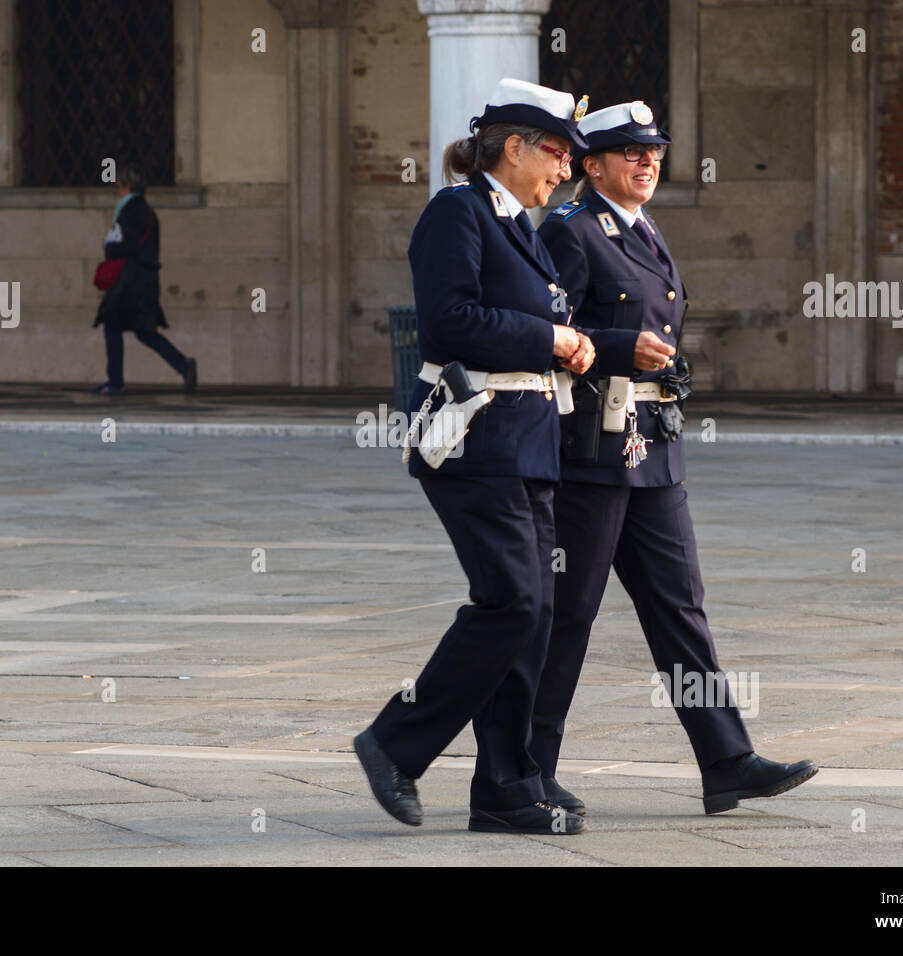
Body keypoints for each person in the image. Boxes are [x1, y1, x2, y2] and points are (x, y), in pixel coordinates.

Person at [533, 102, 817, 815]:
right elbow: (546, 331)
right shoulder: (571, 231)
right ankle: (527, 770)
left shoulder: (645, 229)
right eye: (629, 152)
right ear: (590, 164)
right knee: (568, 613)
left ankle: (726, 760)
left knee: (680, 607)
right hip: (592, 450)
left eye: (654, 150)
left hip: (653, 445)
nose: (647, 162)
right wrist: (619, 348)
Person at [353, 78, 597, 835]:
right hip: (473, 438)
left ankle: (507, 786)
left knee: (536, 611)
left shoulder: (518, 225)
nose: (565, 172)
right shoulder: (456, 213)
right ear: (513, 146)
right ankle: (394, 741)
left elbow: (526, 321)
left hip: (528, 439)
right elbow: (450, 320)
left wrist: (574, 344)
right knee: (512, 602)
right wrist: (551, 338)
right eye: (557, 154)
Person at [92, 164, 196, 395]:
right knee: (144, 331)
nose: (116, 189)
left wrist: (110, 246)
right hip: (143, 280)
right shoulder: (146, 211)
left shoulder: (130, 211)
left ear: (127, 185)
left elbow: (125, 245)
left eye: (118, 184)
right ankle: (182, 364)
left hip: (130, 282)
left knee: (112, 325)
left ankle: (115, 383)